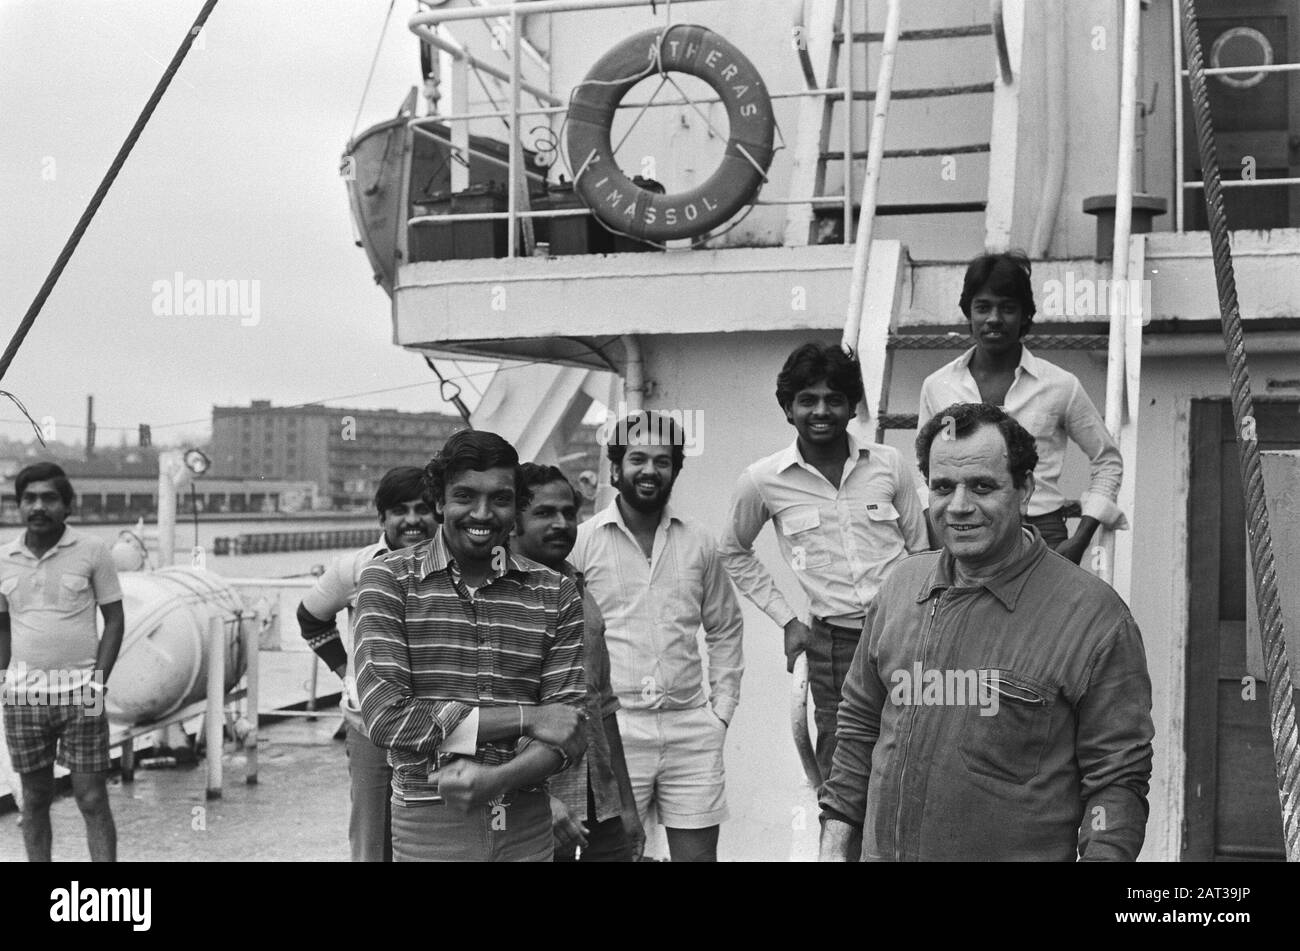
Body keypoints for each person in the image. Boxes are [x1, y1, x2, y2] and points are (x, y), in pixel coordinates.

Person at [819, 402, 1154, 861]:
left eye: (982, 486)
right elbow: (858, 728)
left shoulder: (1094, 617)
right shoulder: (900, 588)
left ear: (1025, 489)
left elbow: (1116, 782)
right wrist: (833, 849)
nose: (959, 506)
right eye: (942, 487)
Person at [354, 431, 587, 862]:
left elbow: (569, 730)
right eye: (465, 496)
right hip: (428, 823)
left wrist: (495, 780)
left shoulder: (556, 592)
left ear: (515, 508)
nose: (482, 513)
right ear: (440, 502)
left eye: (499, 499)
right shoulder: (388, 581)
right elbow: (387, 720)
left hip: (527, 825)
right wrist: (528, 718)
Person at [721, 342, 928, 786]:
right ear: (787, 408)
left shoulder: (889, 464)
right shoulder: (762, 480)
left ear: (852, 407)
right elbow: (732, 550)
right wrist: (786, 620)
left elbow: (923, 549)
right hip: (833, 643)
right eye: (807, 400)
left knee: (915, 749)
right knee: (843, 761)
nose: (821, 411)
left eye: (834, 399)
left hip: (905, 633)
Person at [571, 411, 744, 862]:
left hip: (691, 727)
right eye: (638, 459)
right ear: (615, 468)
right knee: (617, 855)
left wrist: (720, 713)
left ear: (675, 470)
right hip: (616, 730)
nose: (650, 471)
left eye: (663, 461)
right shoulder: (583, 542)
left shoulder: (699, 542)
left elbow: (725, 627)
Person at [917, 251, 1125, 564]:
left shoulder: (1059, 384)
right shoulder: (938, 385)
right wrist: (939, 537)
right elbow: (924, 468)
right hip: (966, 526)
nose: (994, 319)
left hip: (1041, 532)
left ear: (1025, 314)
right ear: (968, 313)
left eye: (1008, 308)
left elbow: (1107, 460)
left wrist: (1081, 538)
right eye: (983, 307)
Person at [296, 466, 435, 862]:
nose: (412, 520)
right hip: (369, 725)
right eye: (400, 510)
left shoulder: (455, 566)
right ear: (382, 518)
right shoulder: (355, 568)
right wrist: (346, 673)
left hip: (435, 722)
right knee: (371, 836)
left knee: (434, 832)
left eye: (423, 508)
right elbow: (310, 616)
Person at [512, 462, 643, 861]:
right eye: (545, 513)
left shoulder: (581, 593)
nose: (562, 523)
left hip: (599, 804)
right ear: (513, 521)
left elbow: (603, 708)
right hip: (529, 812)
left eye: (569, 513)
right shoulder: (494, 601)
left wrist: (627, 807)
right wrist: (538, 801)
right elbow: (486, 713)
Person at [0, 463, 124, 862]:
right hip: (22, 699)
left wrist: (98, 685)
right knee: (35, 797)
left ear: (67, 505)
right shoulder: (3, 558)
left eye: (49, 498)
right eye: (29, 499)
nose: (38, 506)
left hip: (82, 695)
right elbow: (2, 628)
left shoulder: (93, 551)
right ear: (18, 506)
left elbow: (115, 620)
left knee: (91, 797)